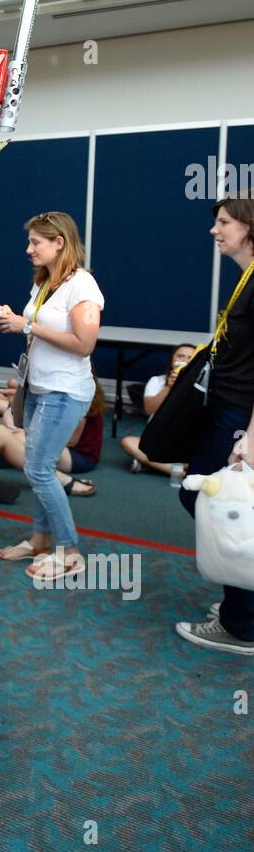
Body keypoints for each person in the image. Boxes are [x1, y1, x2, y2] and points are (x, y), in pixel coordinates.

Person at [0, 211, 104, 583]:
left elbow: (84, 344)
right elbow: (38, 329)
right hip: (40, 388)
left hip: (65, 391)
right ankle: (40, 539)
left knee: (38, 469)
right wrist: (19, 321)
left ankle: (69, 551)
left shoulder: (82, 285)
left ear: (59, 243)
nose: (28, 249)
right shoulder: (46, 283)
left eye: (36, 242)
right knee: (37, 469)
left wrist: (28, 324)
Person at [175, 197, 254, 655]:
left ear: (248, 226)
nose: (214, 230)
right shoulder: (247, 277)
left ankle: (241, 623)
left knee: (222, 506)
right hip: (229, 409)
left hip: (240, 418)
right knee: (213, 501)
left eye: (224, 222)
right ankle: (240, 608)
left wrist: (249, 438)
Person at [0, 373, 105, 497]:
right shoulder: (54, 395)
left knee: (14, 436)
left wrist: (30, 433)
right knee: (10, 433)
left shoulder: (79, 399)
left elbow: (70, 441)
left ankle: (8, 458)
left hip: (77, 455)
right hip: (61, 445)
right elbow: (17, 413)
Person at [120, 343, 196, 475]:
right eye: (180, 356)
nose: (184, 360)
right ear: (172, 359)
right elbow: (149, 409)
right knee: (128, 443)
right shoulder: (157, 381)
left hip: (186, 441)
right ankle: (181, 473)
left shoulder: (201, 385)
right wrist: (169, 387)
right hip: (159, 439)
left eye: (190, 357)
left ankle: (148, 464)